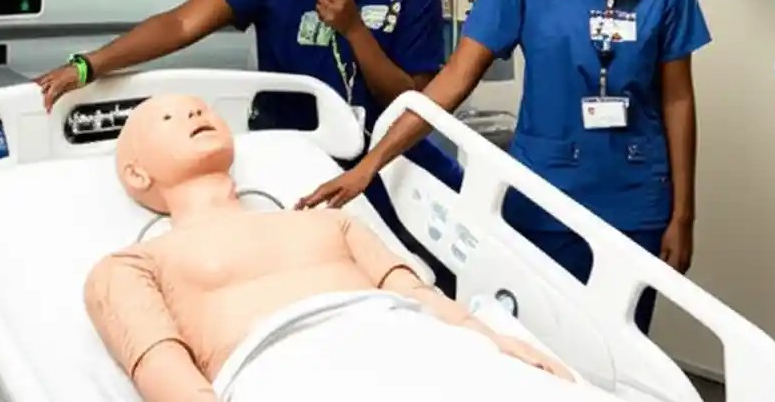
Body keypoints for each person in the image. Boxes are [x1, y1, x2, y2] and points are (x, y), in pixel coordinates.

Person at [298, 0, 711, 334]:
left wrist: (683, 213)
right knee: (542, 350)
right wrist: (372, 163)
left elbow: (678, 99)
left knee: (622, 353)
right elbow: (451, 81)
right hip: (542, 195)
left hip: (635, 199)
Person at [34, 0, 461, 287]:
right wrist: (89, 65)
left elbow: (414, 103)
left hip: (386, 161)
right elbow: (182, 23)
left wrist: (356, 32)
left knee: (432, 273)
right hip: (295, 154)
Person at [85, 94, 584, 402]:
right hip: (290, 371)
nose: (194, 110)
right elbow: (164, 371)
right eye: (169, 116)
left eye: (199, 105)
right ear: (135, 172)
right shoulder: (130, 266)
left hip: (418, 342)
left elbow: (419, 294)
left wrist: (496, 343)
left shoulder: (330, 224)